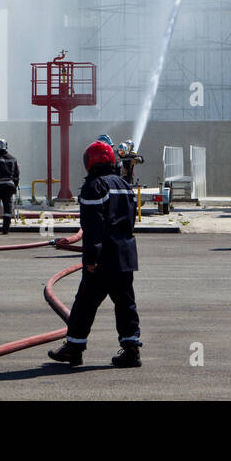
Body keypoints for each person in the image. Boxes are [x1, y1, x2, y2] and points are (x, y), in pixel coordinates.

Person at [48, 140, 142, 368]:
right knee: (125, 304)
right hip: (125, 254)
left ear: (90, 162)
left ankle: (74, 347)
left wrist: (91, 258)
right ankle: (131, 350)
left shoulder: (94, 186)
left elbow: (93, 226)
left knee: (84, 304)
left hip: (103, 259)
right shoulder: (123, 184)